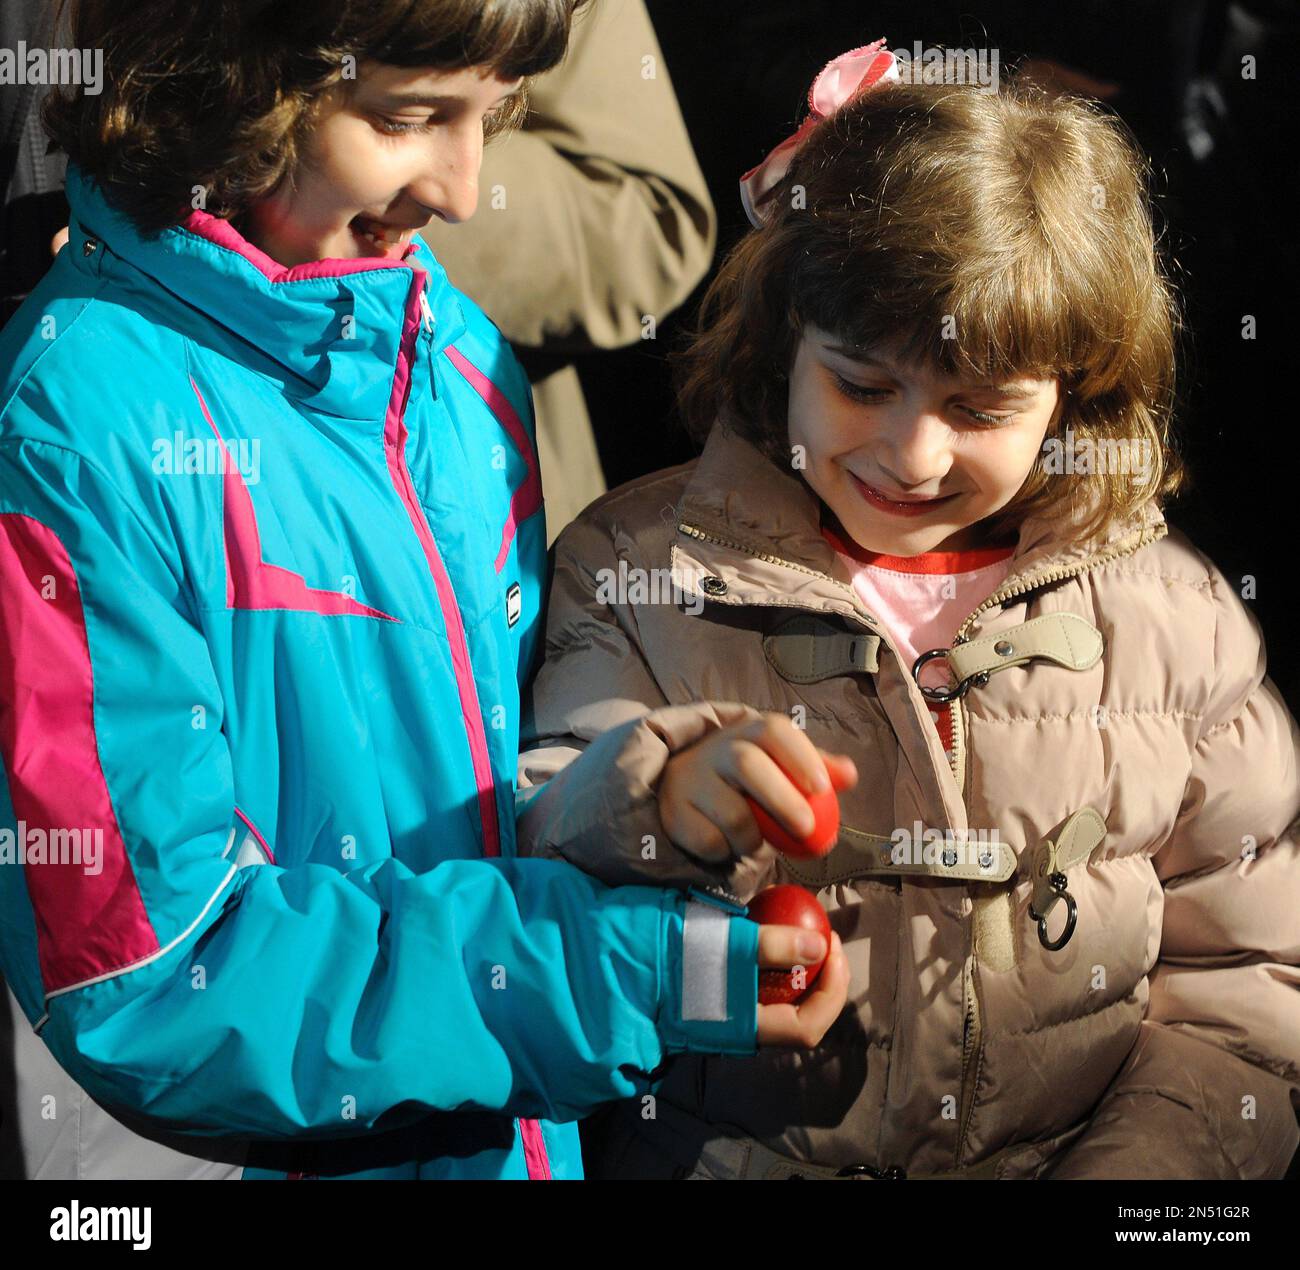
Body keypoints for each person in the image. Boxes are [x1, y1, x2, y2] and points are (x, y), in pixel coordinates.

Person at [0, 0, 847, 1181]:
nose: (461, 190)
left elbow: (482, 809)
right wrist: (614, 974)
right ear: (227, 78)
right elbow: (152, 978)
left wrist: (641, 802)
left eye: (495, 118)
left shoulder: (459, 360)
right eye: (408, 119)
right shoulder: (77, 430)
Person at [515, 41, 1300, 1178]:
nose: (910, 453)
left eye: (978, 407)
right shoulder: (637, 568)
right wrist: (657, 795)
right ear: (785, 340)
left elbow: (1246, 991)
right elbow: (541, 846)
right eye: (860, 384)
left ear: (1076, 391)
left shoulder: (1173, 619)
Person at [420, 0, 716, 545]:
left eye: (492, 113)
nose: (459, 196)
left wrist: (388, 179)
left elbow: (651, 226)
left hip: (481, 500)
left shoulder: (443, 195)